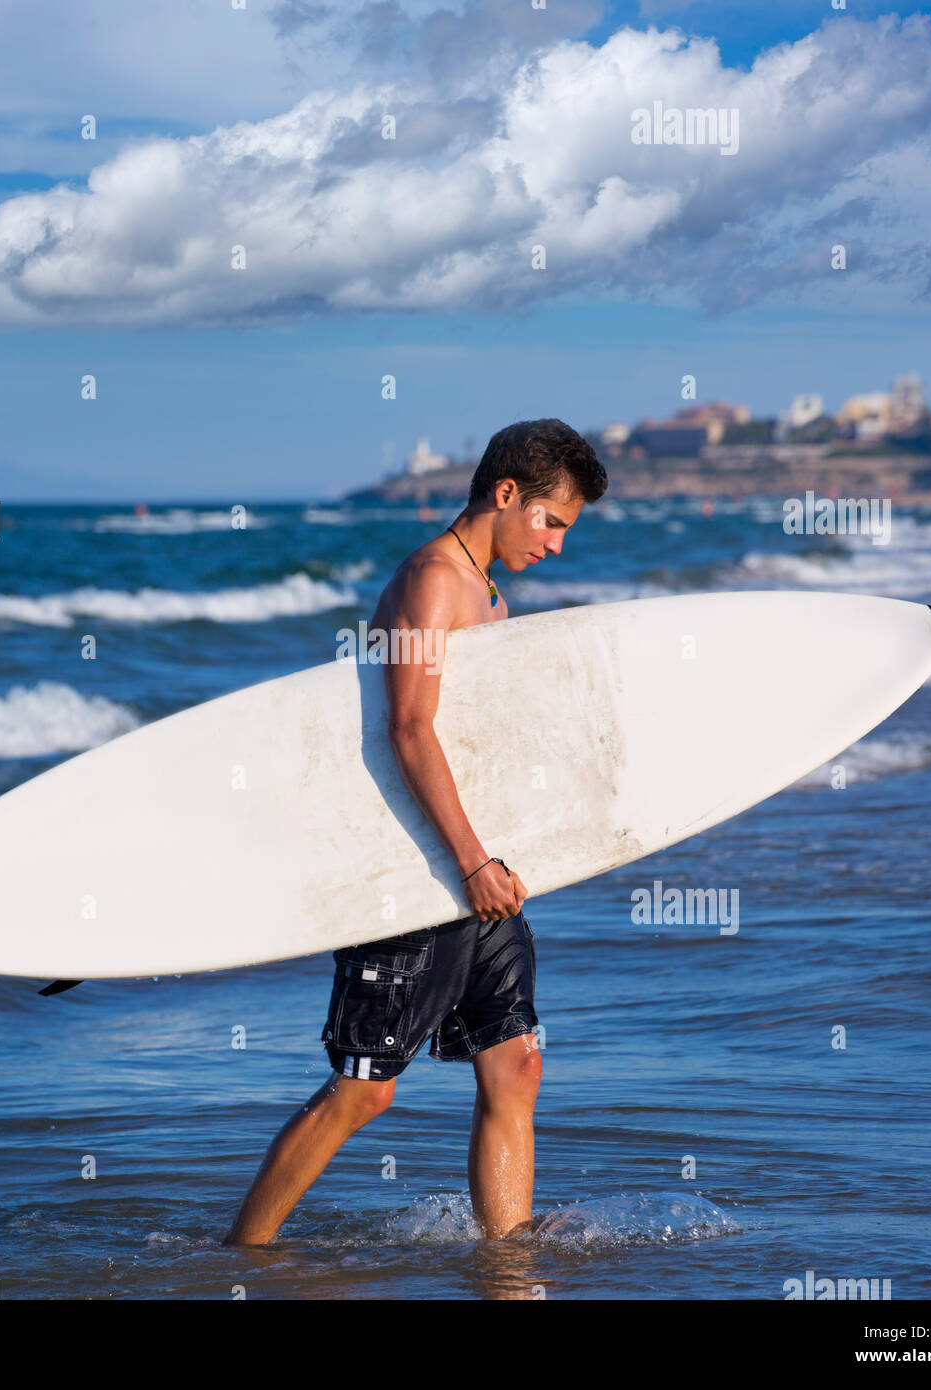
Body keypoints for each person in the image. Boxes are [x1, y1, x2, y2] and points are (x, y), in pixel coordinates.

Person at [223, 419, 608, 1245]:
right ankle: (242, 1258)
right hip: (417, 870)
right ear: (507, 494)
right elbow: (408, 729)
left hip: (476, 863)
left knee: (515, 1064)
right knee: (365, 1089)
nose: (556, 546)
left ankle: (506, 1261)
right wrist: (472, 861)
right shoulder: (433, 581)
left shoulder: (489, 591)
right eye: (552, 521)